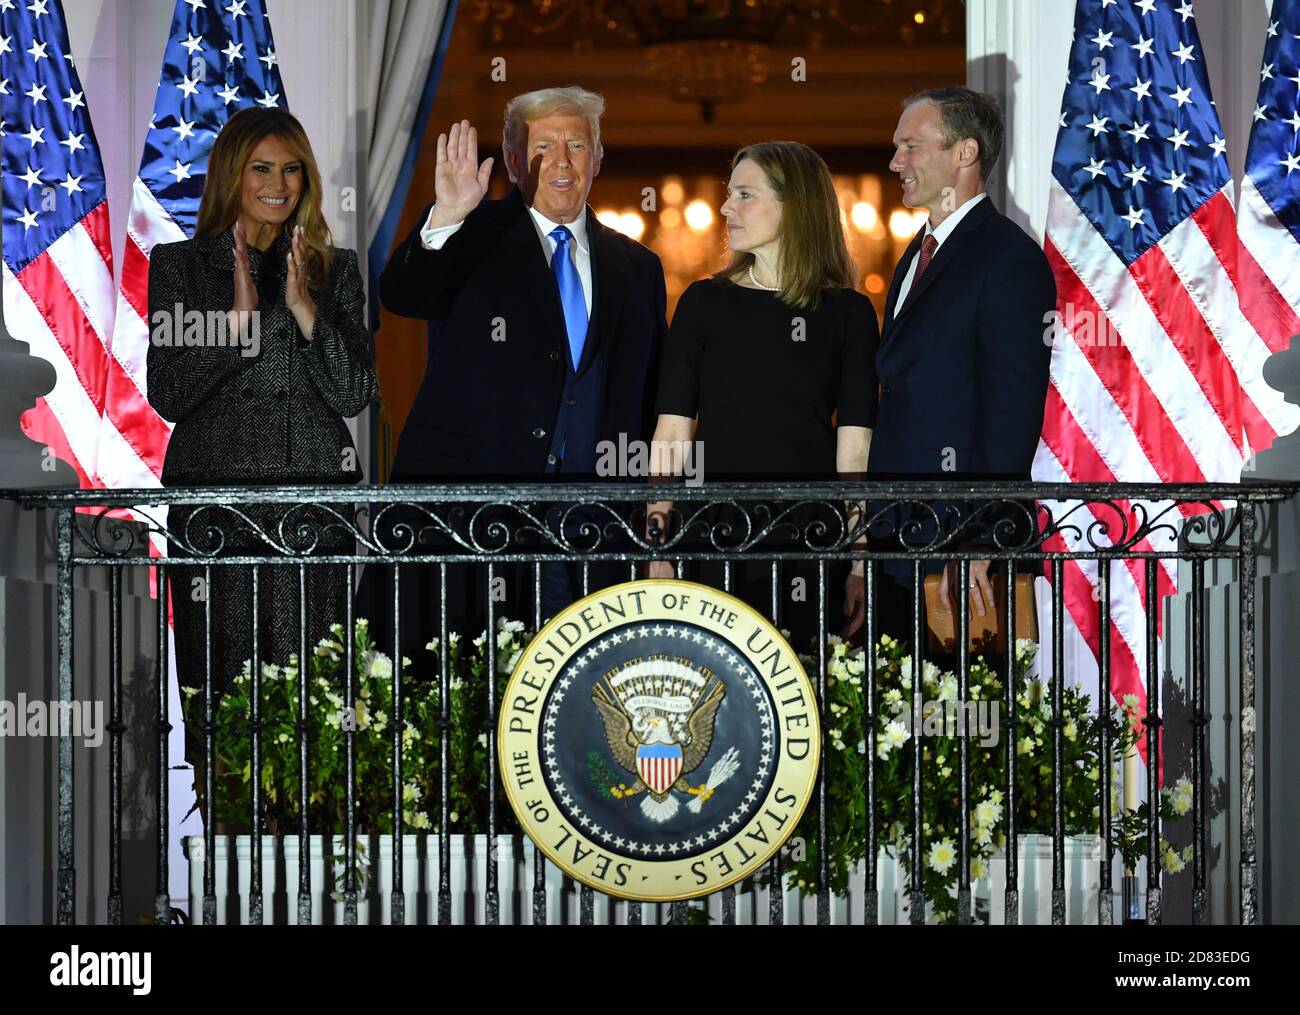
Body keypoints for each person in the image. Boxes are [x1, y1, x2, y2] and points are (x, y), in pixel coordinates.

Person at [364, 86, 668, 655]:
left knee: (579, 690)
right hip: (477, 517)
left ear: (597, 159)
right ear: (511, 160)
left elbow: (651, 398)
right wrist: (449, 214)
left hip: (593, 526)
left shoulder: (639, 267)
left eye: (576, 145)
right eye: (542, 145)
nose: (561, 161)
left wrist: (651, 520)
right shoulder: (469, 236)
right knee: (479, 690)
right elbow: (403, 294)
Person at [147, 108, 377, 767]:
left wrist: (306, 311)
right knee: (222, 716)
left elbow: (353, 392)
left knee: (314, 720)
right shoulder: (180, 267)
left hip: (313, 514)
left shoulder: (339, 268)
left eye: (292, 168)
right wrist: (237, 323)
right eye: (262, 168)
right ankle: (226, 858)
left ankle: (307, 867)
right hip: (216, 515)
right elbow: (168, 392)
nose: (279, 183)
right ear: (232, 175)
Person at [649, 142, 880, 650]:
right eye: (729, 194)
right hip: (711, 531)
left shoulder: (850, 313)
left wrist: (860, 556)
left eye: (744, 195)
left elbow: (855, 448)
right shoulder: (703, 303)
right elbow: (671, 430)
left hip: (811, 537)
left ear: (793, 205)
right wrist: (658, 541)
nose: (727, 207)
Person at [868, 86, 1054, 642]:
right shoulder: (917, 253)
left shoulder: (1008, 258)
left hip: (962, 551)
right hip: (900, 537)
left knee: (966, 720)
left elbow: (1013, 410)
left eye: (910, 147)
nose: (895, 162)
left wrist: (981, 538)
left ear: (964, 153)